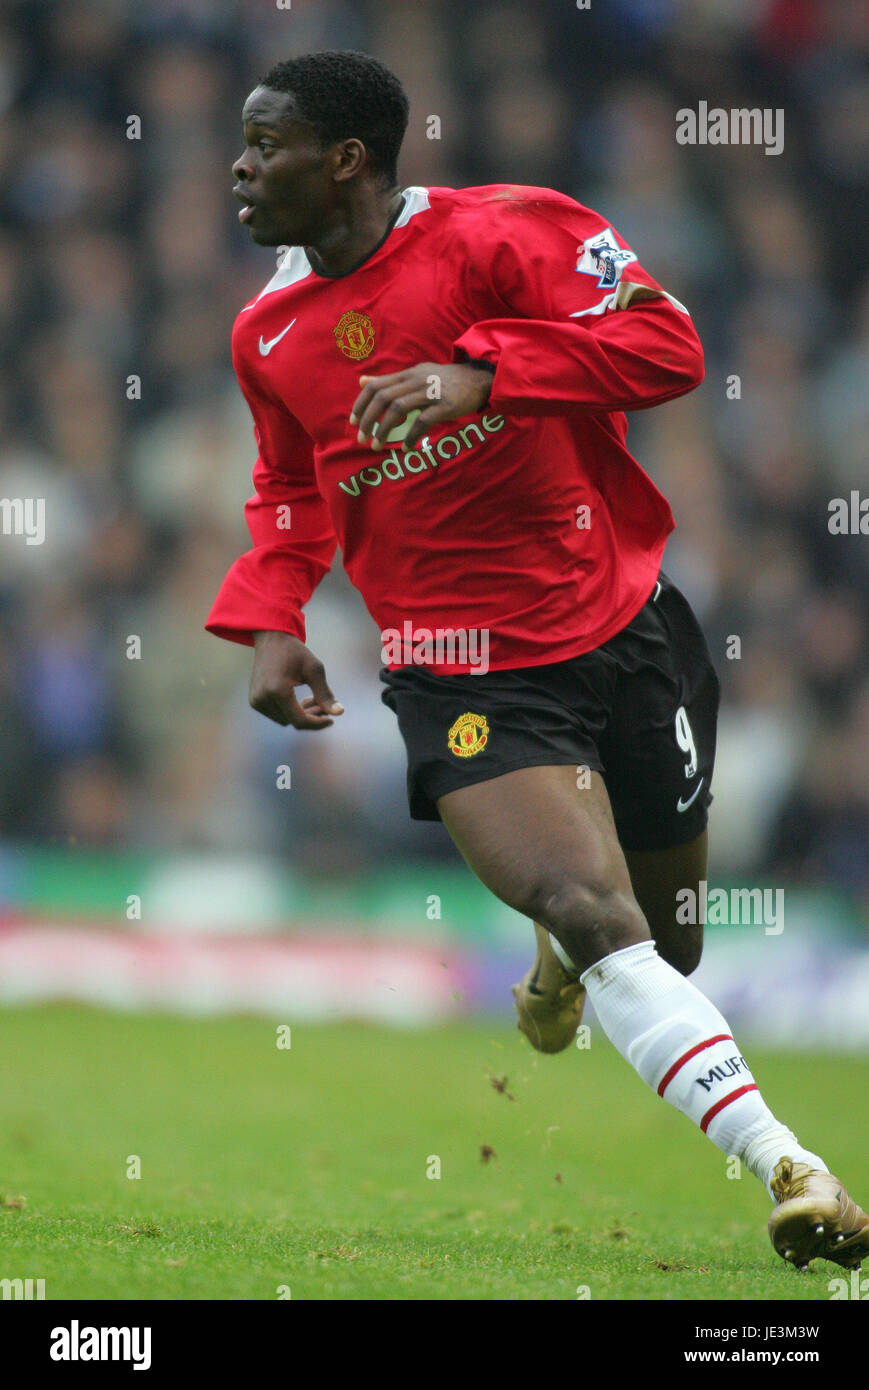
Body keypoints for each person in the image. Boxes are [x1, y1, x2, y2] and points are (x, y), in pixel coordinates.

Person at [206, 49, 867, 1272]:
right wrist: (271, 614)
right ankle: (790, 1163)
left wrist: (485, 373)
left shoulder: (506, 236)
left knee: (666, 943)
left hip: (619, 627)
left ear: (344, 159)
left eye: (262, 144)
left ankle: (565, 956)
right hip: (459, 672)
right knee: (590, 902)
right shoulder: (268, 333)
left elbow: (667, 347)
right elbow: (288, 487)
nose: (237, 169)